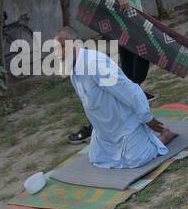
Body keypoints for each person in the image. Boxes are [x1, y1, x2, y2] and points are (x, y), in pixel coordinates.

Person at [68, 0, 154, 145]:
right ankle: (130, 95)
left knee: (133, 60)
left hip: (134, 16)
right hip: (124, 19)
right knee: (140, 58)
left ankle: (131, 94)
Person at [56, 27, 177, 168]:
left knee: (137, 160)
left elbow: (128, 89)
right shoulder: (74, 71)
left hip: (124, 123)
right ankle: (141, 139)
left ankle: (164, 136)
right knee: (97, 159)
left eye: (63, 46)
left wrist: (146, 117)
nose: (59, 52)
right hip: (105, 129)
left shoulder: (95, 63)